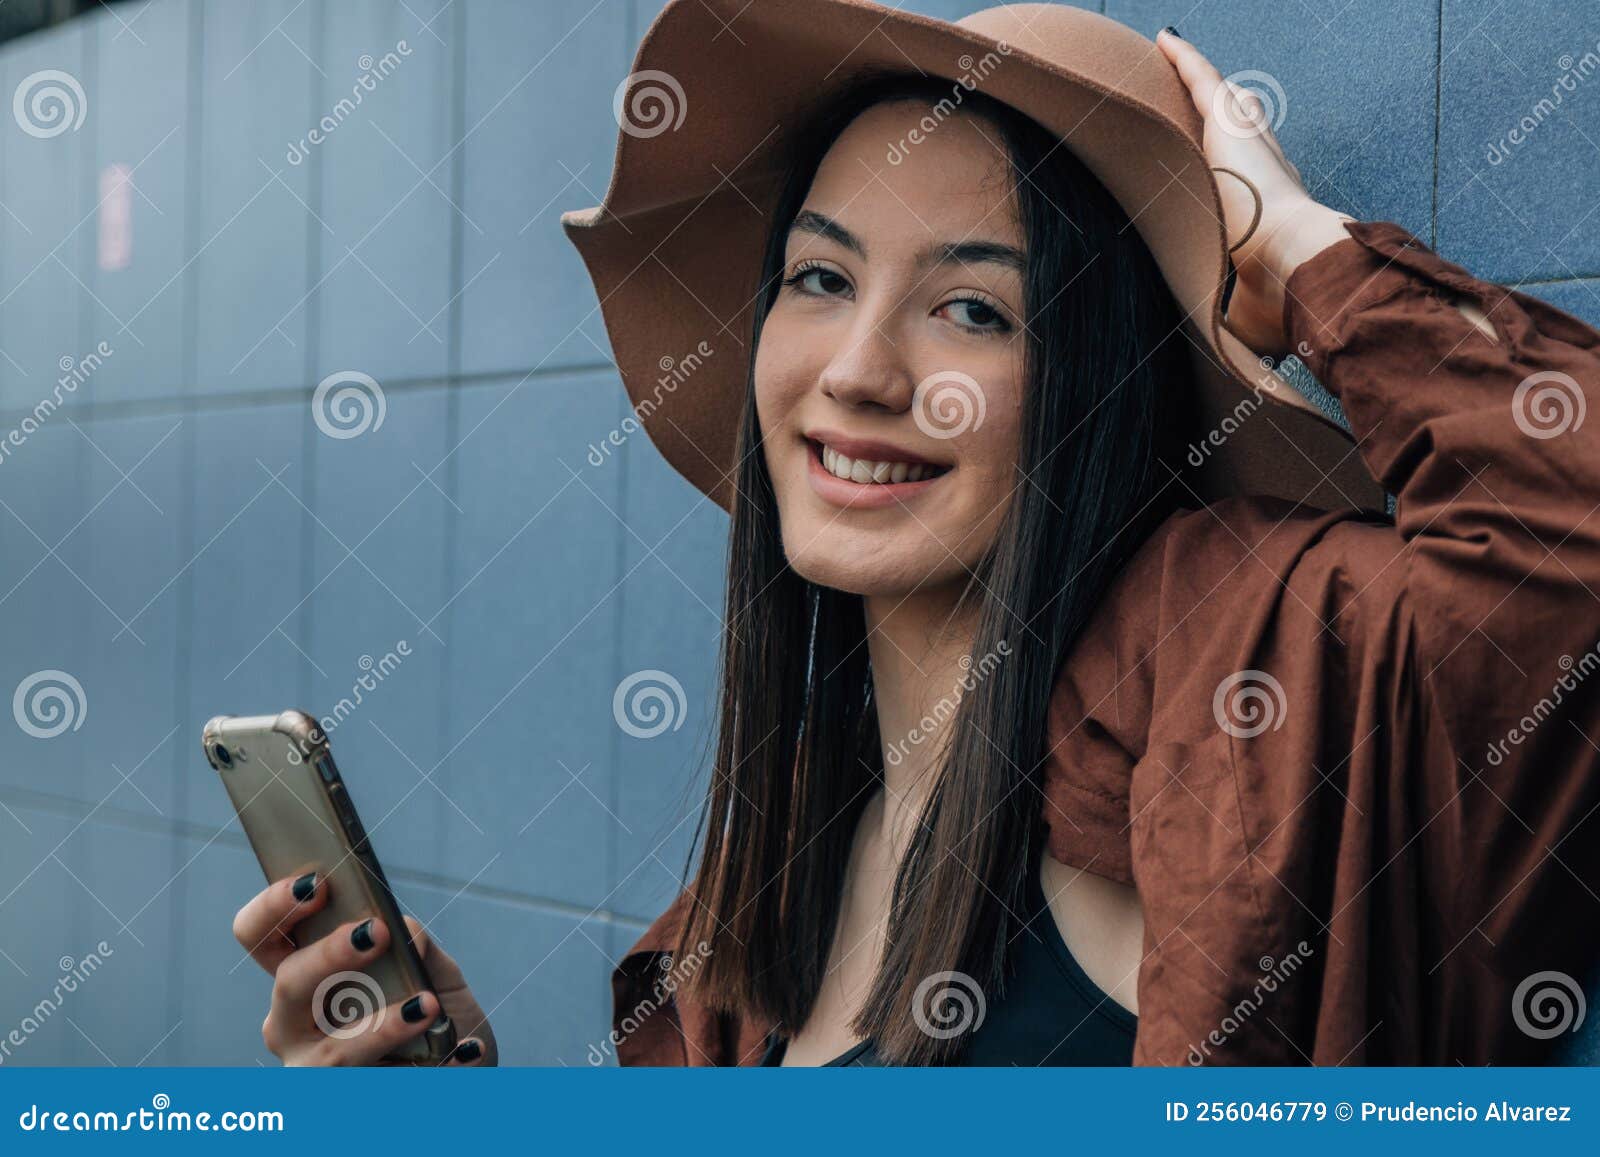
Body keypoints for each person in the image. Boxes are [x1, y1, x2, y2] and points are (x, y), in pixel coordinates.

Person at [232, 2, 1600, 1067]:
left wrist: (1299, 250)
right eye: (822, 278)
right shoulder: (752, 908)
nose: (860, 371)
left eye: (974, 309)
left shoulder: (1229, 728)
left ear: (1098, 384)